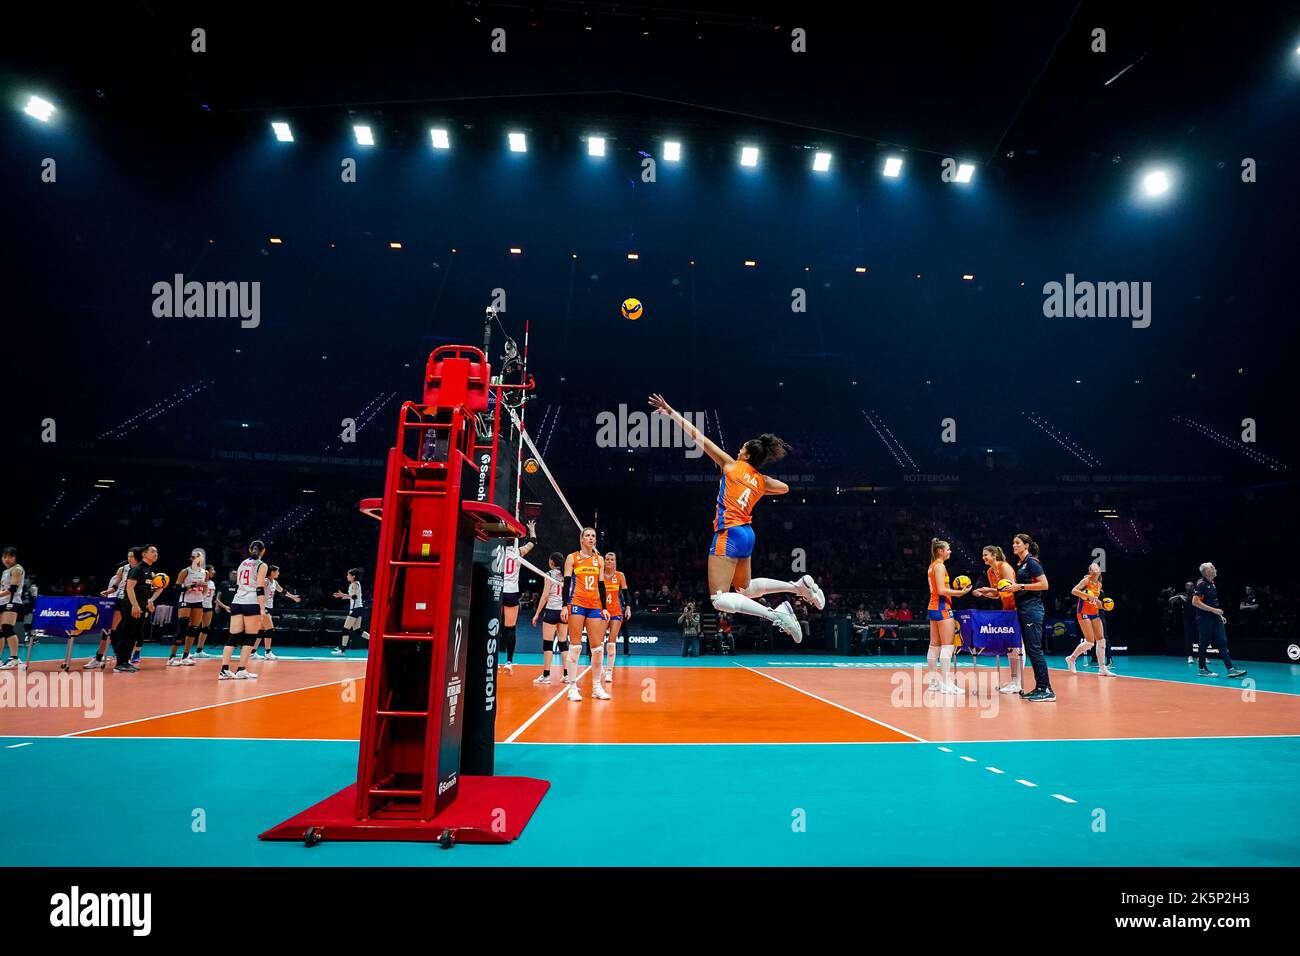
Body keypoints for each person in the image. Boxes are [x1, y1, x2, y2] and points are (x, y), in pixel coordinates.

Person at [646, 393, 824, 644]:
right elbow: (784, 487)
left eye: (742, 448)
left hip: (728, 532)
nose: (738, 449)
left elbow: (699, 437)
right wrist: (760, 484)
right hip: (746, 534)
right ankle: (798, 586)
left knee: (719, 599)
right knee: (743, 590)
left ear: (747, 455)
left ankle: (776, 615)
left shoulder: (730, 465)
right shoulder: (762, 482)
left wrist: (671, 412)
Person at [562, 528, 611, 702]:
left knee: (597, 649)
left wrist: (604, 607)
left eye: (593, 536)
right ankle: (572, 687)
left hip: (595, 605)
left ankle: (597, 687)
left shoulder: (599, 560)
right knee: (575, 647)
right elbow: (566, 583)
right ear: (582, 539)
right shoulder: (572, 558)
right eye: (588, 536)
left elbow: (602, 585)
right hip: (577, 603)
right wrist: (564, 606)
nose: (591, 538)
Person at [1004, 533, 1053, 701]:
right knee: (1032, 650)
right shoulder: (1021, 564)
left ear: (1026, 545)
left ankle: (1046, 689)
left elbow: (1044, 584)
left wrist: (1021, 586)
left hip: (1032, 609)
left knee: (1034, 649)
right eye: (1013, 543)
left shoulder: (1032, 562)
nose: (1014, 545)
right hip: (1024, 609)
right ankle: (1040, 686)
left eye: (1017, 543)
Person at [925, 538, 973, 694]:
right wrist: (960, 592)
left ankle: (933, 683)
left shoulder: (932, 566)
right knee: (947, 646)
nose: (950, 551)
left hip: (933, 607)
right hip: (942, 607)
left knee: (934, 646)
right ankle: (947, 684)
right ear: (940, 551)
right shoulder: (939, 566)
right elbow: (941, 590)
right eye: (948, 549)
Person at [973, 545, 1024, 693]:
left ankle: (1018, 681)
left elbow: (1010, 588)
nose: (984, 558)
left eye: (986, 555)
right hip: (1006, 609)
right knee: (1010, 646)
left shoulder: (1005, 567)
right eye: (983, 555)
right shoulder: (990, 571)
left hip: (1017, 608)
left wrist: (987, 589)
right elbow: (997, 595)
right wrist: (983, 594)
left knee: (1018, 645)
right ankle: (1014, 679)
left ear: (994, 555)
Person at [218, 540, 267, 680]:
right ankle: (241, 670)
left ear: (250, 549)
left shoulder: (242, 563)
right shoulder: (262, 565)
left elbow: (239, 583)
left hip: (237, 600)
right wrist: (262, 608)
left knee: (233, 635)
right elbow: (259, 588)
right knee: (250, 636)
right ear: (263, 551)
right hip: (251, 602)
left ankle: (224, 670)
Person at [1193, 562, 1247, 679]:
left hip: (1215, 617)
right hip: (1204, 618)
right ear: (1206, 571)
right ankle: (1202, 669)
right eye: (1212, 568)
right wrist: (1214, 610)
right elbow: (1195, 602)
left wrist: (1218, 614)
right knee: (1204, 643)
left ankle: (1231, 669)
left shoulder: (1212, 583)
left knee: (1222, 641)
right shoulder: (1201, 584)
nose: (1215, 569)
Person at [500, 520, 537, 676]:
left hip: (497, 590)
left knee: (493, 626)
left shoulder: (496, 550)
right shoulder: (518, 552)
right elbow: (533, 542)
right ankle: (509, 661)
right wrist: (532, 529)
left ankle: (490, 659)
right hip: (511, 592)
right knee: (510, 628)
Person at [115, 545, 160, 674]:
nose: (155, 554)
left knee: (134, 635)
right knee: (127, 634)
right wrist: (134, 605)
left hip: (140, 606)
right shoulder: (137, 569)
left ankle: (125, 662)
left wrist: (149, 601)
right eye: (152, 551)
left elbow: (149, 589)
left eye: (156, 552)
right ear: (144, 554)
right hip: (131, 606)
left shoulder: (149, 570)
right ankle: (120, 664)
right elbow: (129, 588)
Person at [1065, 563, 1114, 676]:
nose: (1095, 568)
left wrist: (1105, 606)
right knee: (1090, 642)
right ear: (1090, 571)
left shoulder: (1099, 585)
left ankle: (1102, 668)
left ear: (1099, 571)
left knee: (1102, 640)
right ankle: (1072, 659)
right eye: (1093, 568)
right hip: (1083, 612)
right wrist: (1087, 596)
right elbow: (1074, 591)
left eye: (1097, 567)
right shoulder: (1086, 581)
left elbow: (1096, 602)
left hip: (1094, 612)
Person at [532, 552, 569, 685]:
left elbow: (545, 595)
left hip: (552, 611)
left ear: (552, 562)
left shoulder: (549, 574)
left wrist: (537, 613)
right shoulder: (567, 575)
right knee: (563, 644)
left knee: (547, 644)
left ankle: (546, 676)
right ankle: (567, 675)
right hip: (564, 612)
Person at [168, 548, 208, 667]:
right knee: (182, 628)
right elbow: (176, 589)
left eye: (201, 557)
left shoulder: (204, 572)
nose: (199, 559)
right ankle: (172, 657)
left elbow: (205, 590)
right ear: (192, 559)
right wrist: (189, 587)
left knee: (193, 628)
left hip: (198, 600)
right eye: (196, 557)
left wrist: (204, 588)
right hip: (186, 600)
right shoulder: (186, 571)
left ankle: (185, 655)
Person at [253, 565, 300, 660]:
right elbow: (257, 592)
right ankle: (268, 652)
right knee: (270, 629)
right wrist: (259, 606)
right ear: (272, 572)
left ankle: (252, 652)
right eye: (277, 571)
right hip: (263, 607)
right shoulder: (266, 581)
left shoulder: (274, 582)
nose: (279, 573)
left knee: (261, 631)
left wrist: (293, 597)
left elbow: (283, 591)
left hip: (269, 607)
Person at [601, 551, 630, 682]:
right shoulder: (599, 575)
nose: (609, 561)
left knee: (611, 643)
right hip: (602, 612)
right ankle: (600, 666)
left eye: (612, 559)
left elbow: (625, 593)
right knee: (599, 643)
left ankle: (609, 672)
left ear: (615, 562)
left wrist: (628, 607)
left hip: (616, 612)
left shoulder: (620, 576)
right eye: (607, 559)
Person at [0, 548, 27, 669]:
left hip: (12, 601)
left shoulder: (17, 569)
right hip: (2, 602)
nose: (6, 559)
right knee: (0, 631)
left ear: (14, 557)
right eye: (4, 557)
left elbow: (13, 589)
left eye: (9, 557)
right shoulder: (6, 571)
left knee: (7, 628)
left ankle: (14, 658)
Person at [331, 569, 365, 656]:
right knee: (357, 630)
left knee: (345, 629)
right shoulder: (353, 584)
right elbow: (353, 597)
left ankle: (342, 650)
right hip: (358, 609)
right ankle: (374, 640)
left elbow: (354, 597)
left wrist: (343, 595)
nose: (347, 576)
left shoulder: (355, 584)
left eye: (348, 575)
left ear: (353, 576)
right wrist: (343, 596)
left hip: (356, 609)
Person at [1169, 581, 1197, 663]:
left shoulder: (1197, 593)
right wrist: (1178, 596)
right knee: (1188, 637)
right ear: (1186, 587)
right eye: (1188, 586)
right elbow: (1170, 600)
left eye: (1191, 586)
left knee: (1201, 637)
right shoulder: (1182, 594)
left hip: (1197, 618)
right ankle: (1190, 656)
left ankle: (1203, 656)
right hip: (1187, 619)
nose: (1190, 587)